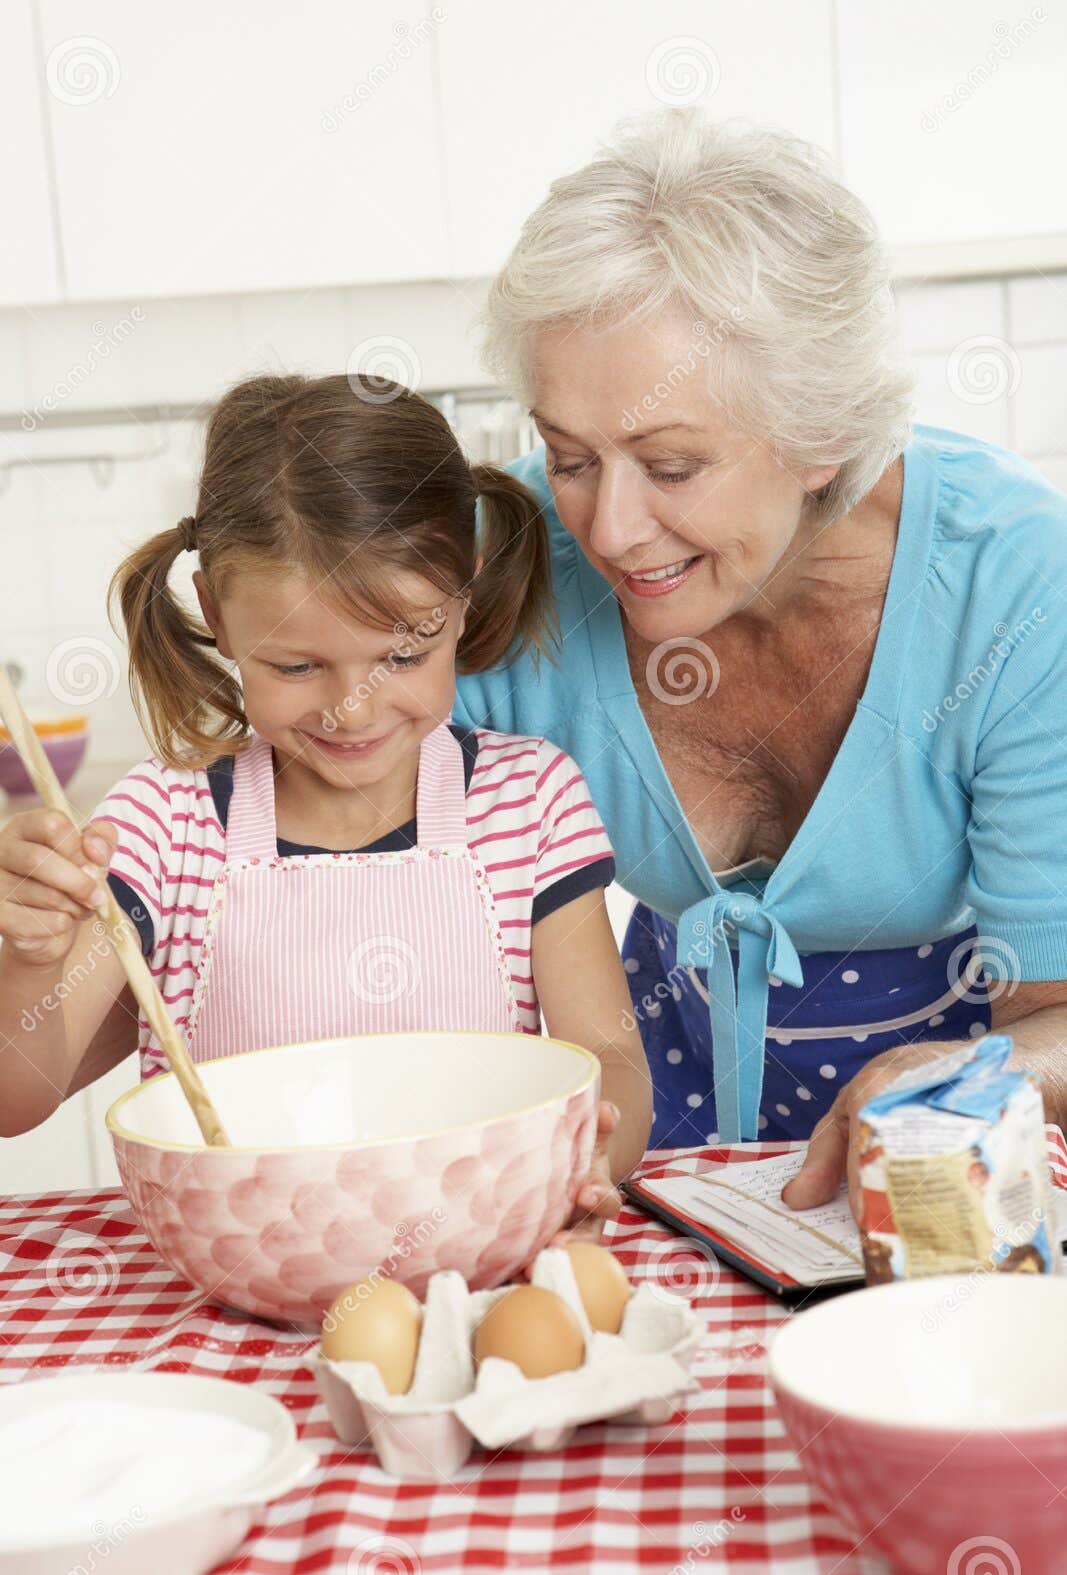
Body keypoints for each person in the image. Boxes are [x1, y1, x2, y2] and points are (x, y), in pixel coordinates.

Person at [452, 108, 1067, 1215]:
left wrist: (979, 1072)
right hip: (649, 1128)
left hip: (942, 1151)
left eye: (672, 464)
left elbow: (1055, 1016)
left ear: (819, 431)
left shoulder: (1014, 586)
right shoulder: (511, 568)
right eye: (570, 455)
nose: (609, 529)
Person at [0, 374, 652, 1230]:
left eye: (402, 656)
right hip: (242, 1269)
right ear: (219, 620)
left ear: (464, 599)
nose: (352, 708)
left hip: (477, 1249)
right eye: (296, 667)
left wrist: (595, 1152)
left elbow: (607, 1055)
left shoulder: (528, 803)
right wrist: (33, 957)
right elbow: (17, 1100)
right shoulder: (162, 827)